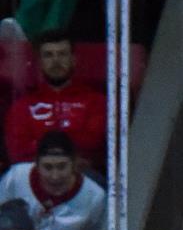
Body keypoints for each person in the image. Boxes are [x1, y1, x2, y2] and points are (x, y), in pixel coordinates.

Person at [0, 132, 104, 230]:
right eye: (47, 167)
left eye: (62, 167)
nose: (55, 176)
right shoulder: (16, 177)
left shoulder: (95, 197)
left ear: (74, 163)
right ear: (36, 164)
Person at [4, 33, 108, 166]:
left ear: (74, 59)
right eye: (48, 55)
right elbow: (17, 151)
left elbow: (93, 143)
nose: (56, 61)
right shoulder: (22, 107)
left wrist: (39, 142)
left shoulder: (96, 102)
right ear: (39, 62)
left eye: (62, 54)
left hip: (83, 174)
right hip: (31, 174)